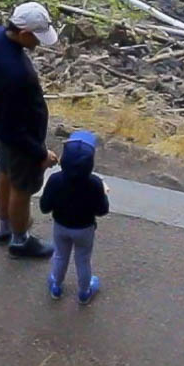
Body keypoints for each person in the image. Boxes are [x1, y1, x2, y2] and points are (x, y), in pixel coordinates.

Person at [0, 1, 60, 259]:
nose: (38, 43)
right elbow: (18, 129)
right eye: (36, 38)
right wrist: (41, 154)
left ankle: (4, 228)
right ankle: (20, 241)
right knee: (22, 189)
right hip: (20, 140)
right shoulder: (18, 75)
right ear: (24, 34)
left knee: (5, 174)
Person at [39, 129, 110, 304]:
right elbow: (102, 210)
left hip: (61, 226)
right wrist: (103, 193)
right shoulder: (95, 183)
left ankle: (56, 286)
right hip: (84, 229)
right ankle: (84, 292)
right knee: (83, 260)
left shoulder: (55, 180)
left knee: (60, 256)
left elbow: (44, 207)